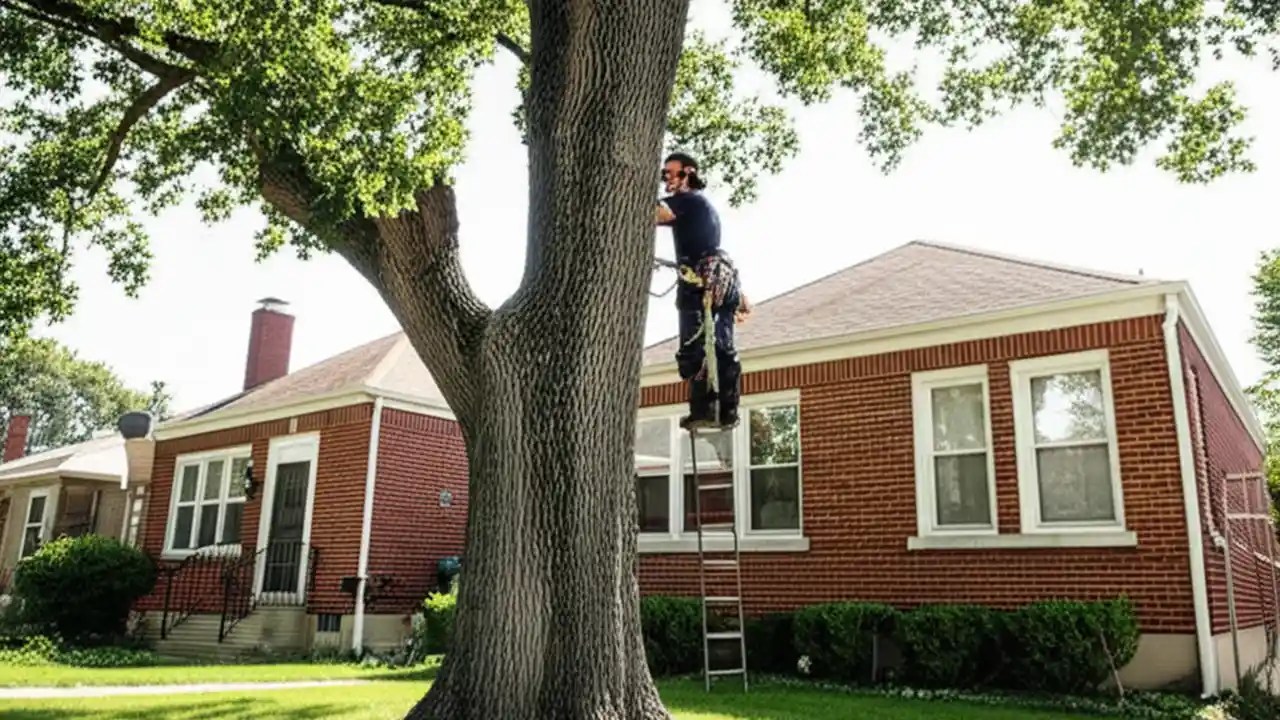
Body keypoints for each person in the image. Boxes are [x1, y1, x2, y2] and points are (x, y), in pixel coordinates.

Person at [655, 152, 744, 431]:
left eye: (671, 173)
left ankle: (705, 409)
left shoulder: (688, 201)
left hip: (702, 282)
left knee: (694, 349)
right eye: (663, 175)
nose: (666, 179)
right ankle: (726, 410)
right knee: (720, 346)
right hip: (720, 278)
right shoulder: (698, 205)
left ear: (688, 173)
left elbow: (654, 214)